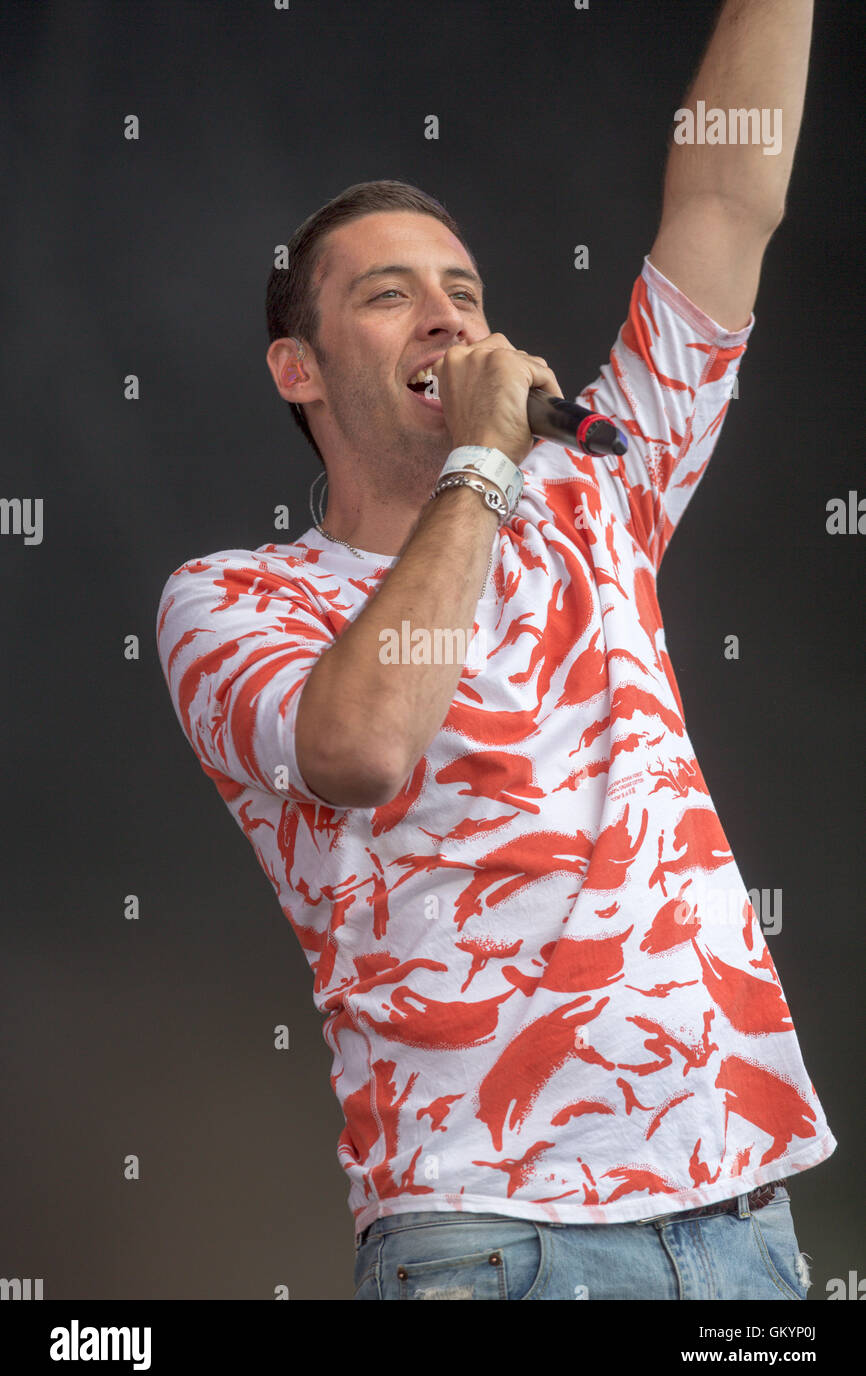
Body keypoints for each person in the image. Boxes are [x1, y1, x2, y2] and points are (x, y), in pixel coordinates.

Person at [157, 0, 835, 1300]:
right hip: (493, 1234)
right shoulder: (237, 599)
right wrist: (480, 460)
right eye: (387, 294)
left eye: (463, 291)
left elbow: (724, 208)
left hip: (744, 1215)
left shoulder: (595, 501)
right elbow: (359, 745)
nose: (445, 319)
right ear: (294, 368)